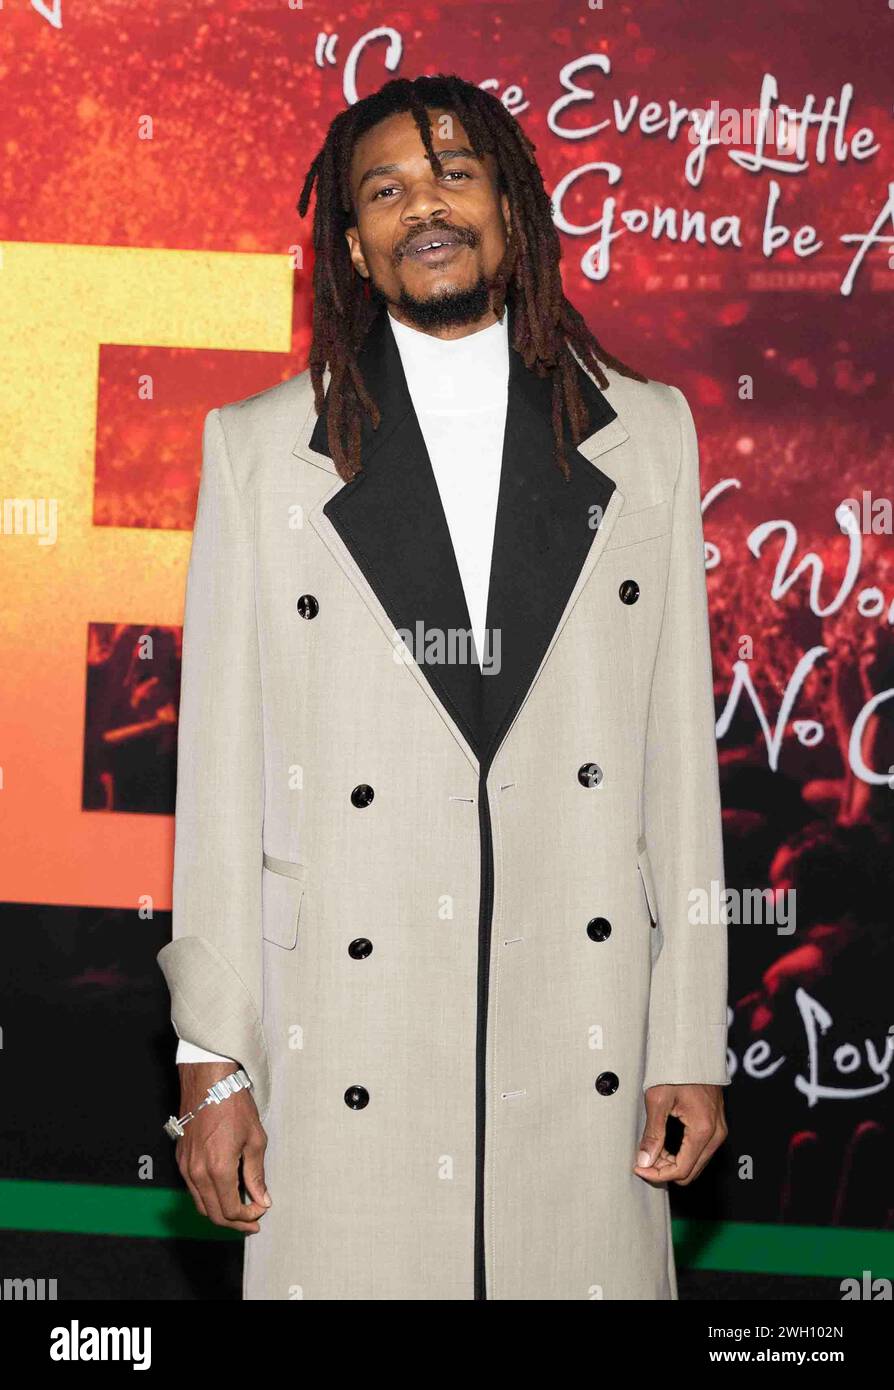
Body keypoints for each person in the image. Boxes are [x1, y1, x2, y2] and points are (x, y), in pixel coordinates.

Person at [157, 72, 730, 1301]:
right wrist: (212, 1059)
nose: (426, 206)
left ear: (514, 210)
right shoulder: (261, 448)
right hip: (344, 1031)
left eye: (455, 173)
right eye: (386, 189)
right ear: (353, 244)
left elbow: (679, 766)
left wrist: (690, 1037)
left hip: (580, 1019)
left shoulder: (649, 434)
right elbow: (217, 786)